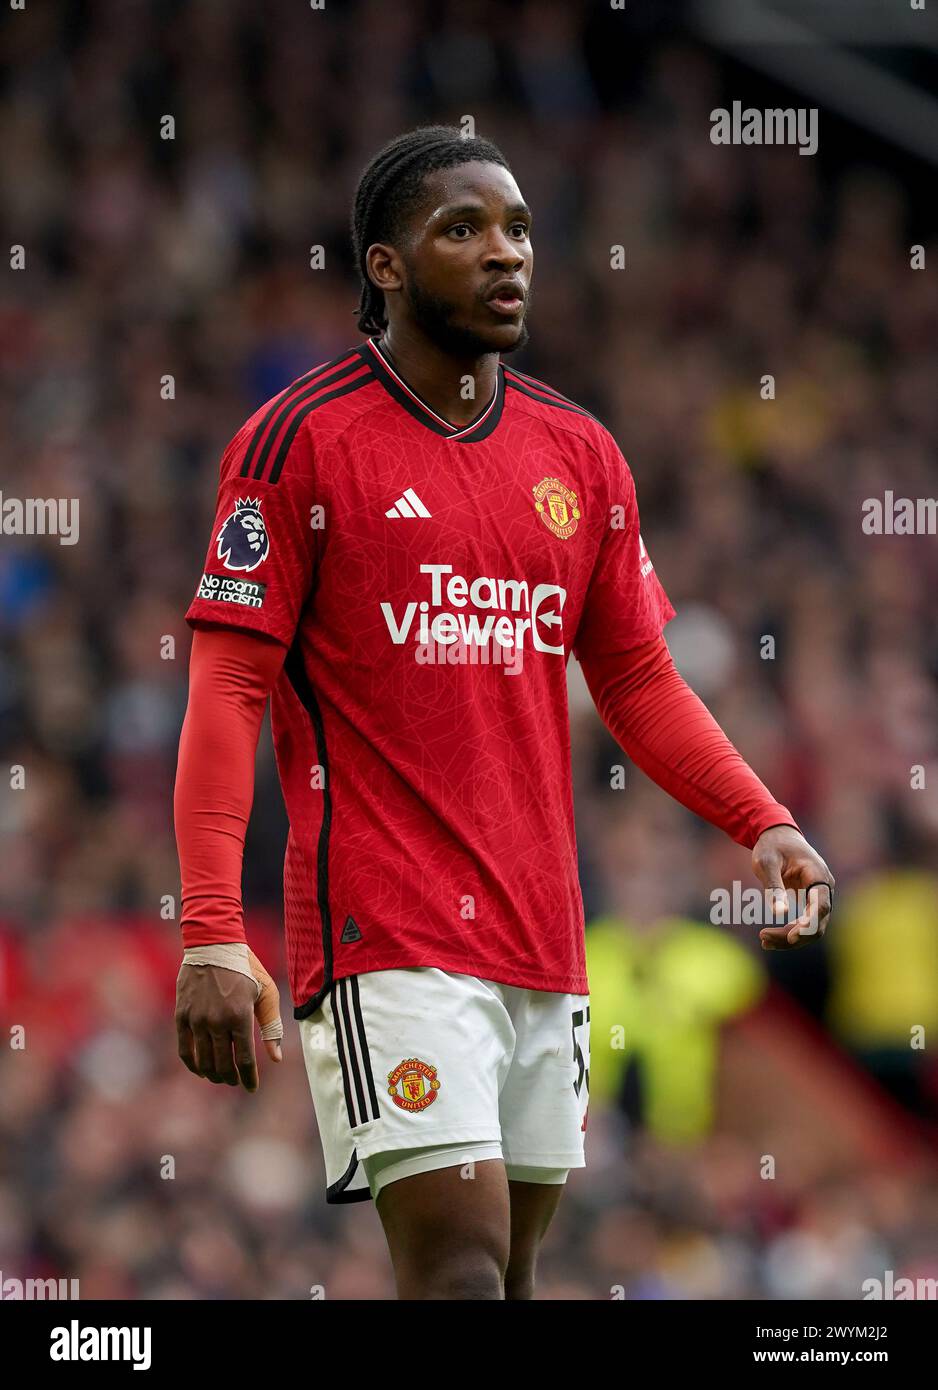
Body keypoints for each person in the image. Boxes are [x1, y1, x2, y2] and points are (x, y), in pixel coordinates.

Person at [173, 125, 834, 1301]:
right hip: (387, 929)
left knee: (513, 1278)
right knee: (462, 1269)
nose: (504, 254)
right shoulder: (298, 443)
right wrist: (211, 928)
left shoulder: (577, 454)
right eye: (464, 229)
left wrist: (759, 817)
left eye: (519, 230)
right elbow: (227, 687)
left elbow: (633, 677)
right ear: (383, 266)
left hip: (540, 932)